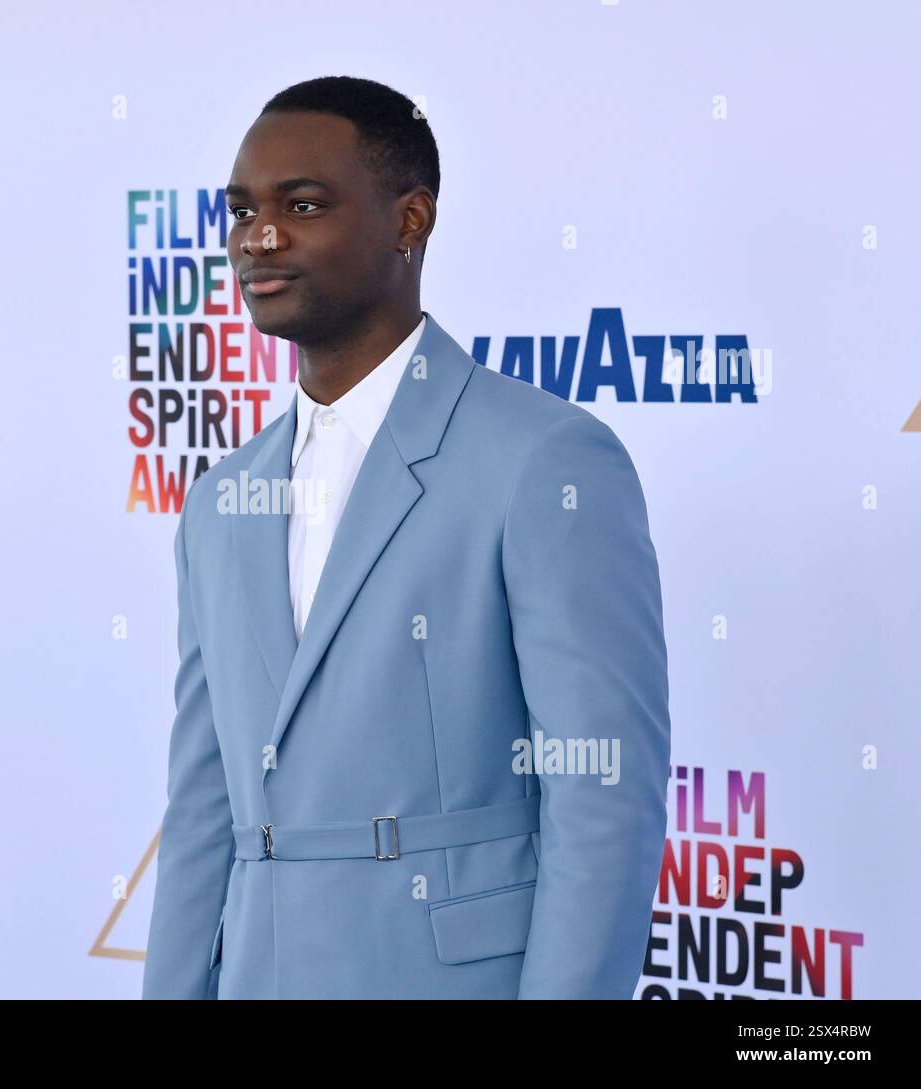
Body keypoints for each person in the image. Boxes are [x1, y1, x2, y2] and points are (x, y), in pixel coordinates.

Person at [142, 75, 671, 999]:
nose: (258, 237)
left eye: (301, 204)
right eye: (241, 210)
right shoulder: (220, 501)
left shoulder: (545, 461)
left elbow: (603, 805)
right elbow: (202, 811)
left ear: (409, 221)